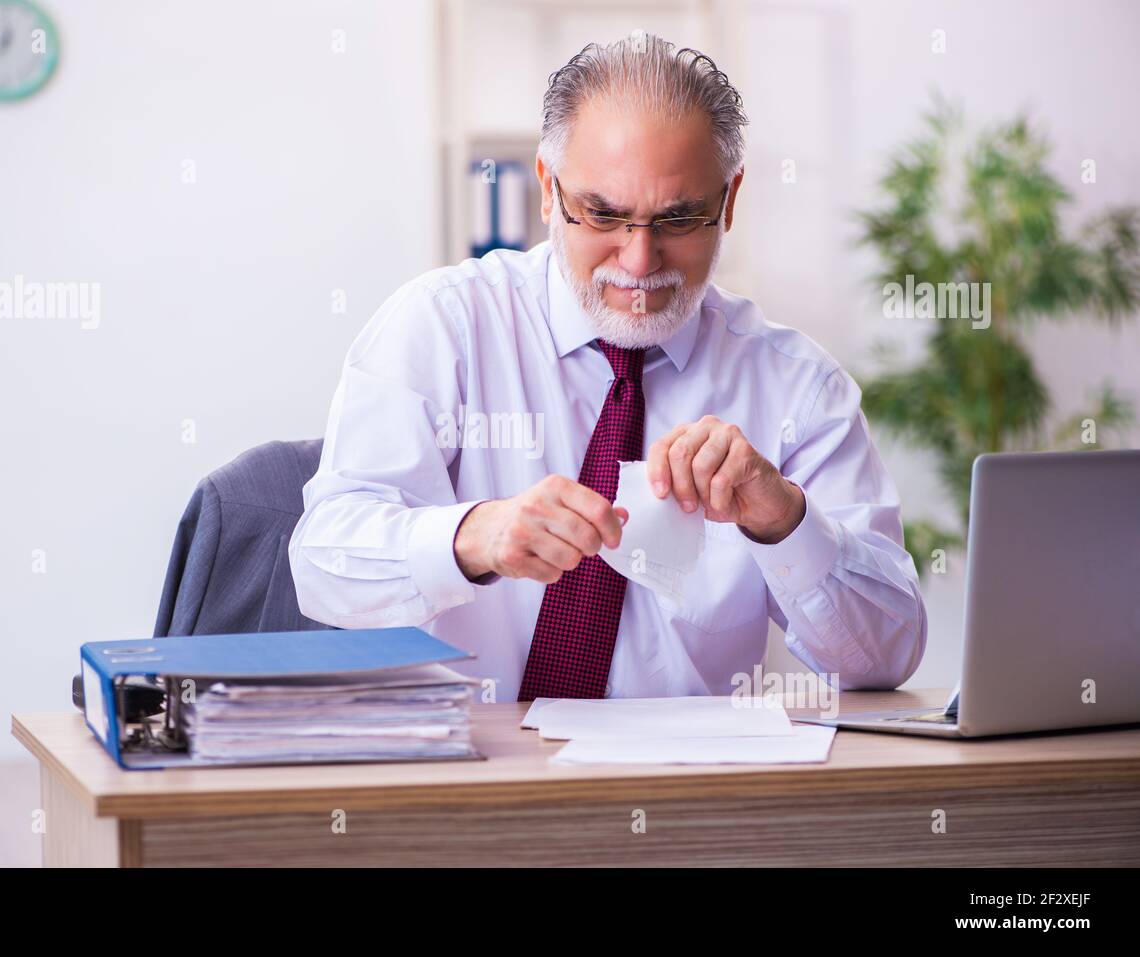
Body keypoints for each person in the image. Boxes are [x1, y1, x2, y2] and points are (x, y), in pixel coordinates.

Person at [289, 35, 926, 702]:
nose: (640, 260)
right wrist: (473, 537)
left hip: (685, 787)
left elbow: (884, 658)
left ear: (729, 201)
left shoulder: (796, 385)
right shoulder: (442, 327)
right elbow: (324, 568)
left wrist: (785, 518)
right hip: (471, 773)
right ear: (547, 188)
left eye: (679, 218)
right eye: (604, 214)